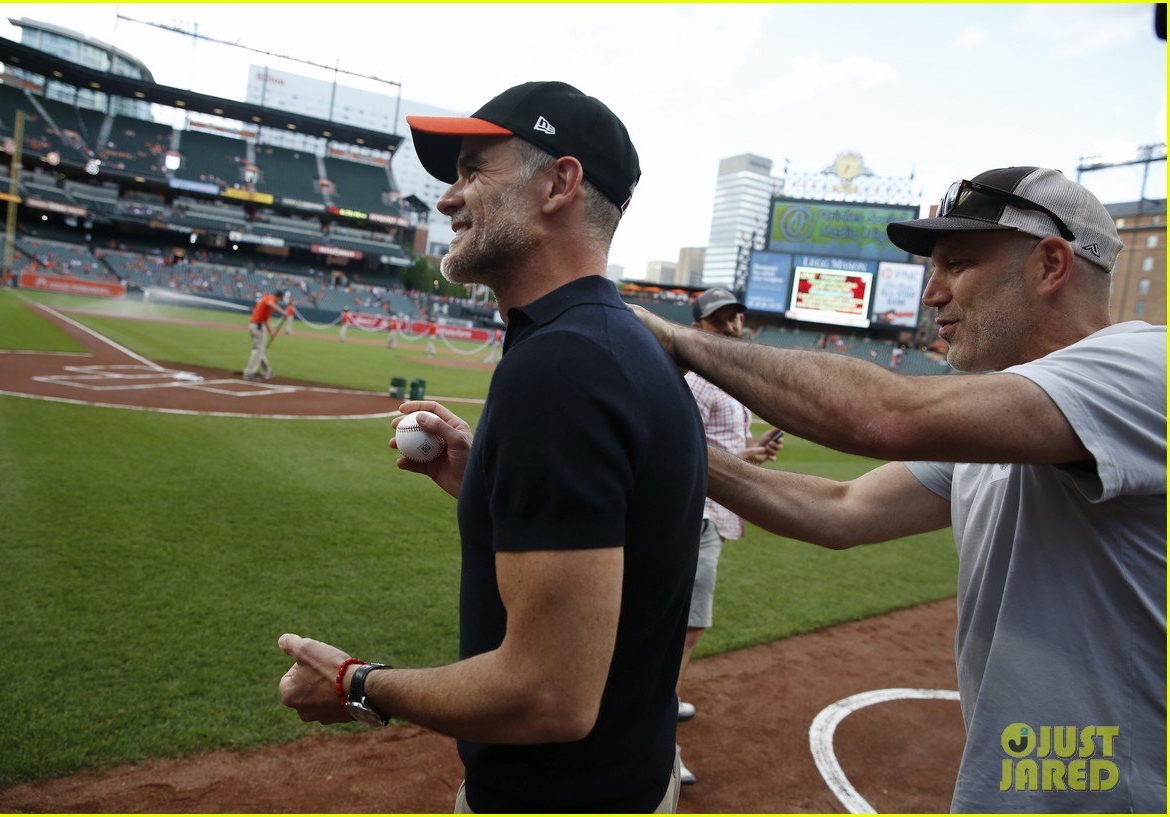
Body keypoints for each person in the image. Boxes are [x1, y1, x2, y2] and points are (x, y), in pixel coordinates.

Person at [631, 166, 1166, 813]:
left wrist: (676, 340)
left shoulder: (1144, 369)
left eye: (957, 264)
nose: (931, 294)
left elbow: (886, 416)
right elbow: (840, 509)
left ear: (1051, 265)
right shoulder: (999, 426)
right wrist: (661, 439)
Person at [277, 80, 707, 813]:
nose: (447, 199)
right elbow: (619, 538)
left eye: (474, 171)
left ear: (559, 184)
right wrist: (488, 481)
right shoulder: (616, 343)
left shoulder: (561, 366)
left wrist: (355, 683)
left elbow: (549, 695)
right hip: (625, 780)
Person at [674, 287, 784, 786]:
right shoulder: (699, 378)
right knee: (682, 632)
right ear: (700, 325)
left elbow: (718, 446)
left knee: (680, 628)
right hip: (693, 515)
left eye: (736, 313)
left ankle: (662, 705)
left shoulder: (722, 376)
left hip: (707, 513)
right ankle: (655, 738)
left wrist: (749, 451)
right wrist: (746, 460)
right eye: (720, 317)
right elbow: (684, 449)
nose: (733, 321)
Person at [242, 289, 286, 381]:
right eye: (280, 299)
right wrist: (282, 312)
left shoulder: (269, 305)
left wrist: (271, 333)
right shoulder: (270, 298)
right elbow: (271, 303)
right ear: (278, 297)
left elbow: (266, 320)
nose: (279, 301)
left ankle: (267, 371)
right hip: (257, 326)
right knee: (258, 350)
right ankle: (249, 373)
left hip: (259, 326)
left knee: (261, 350)